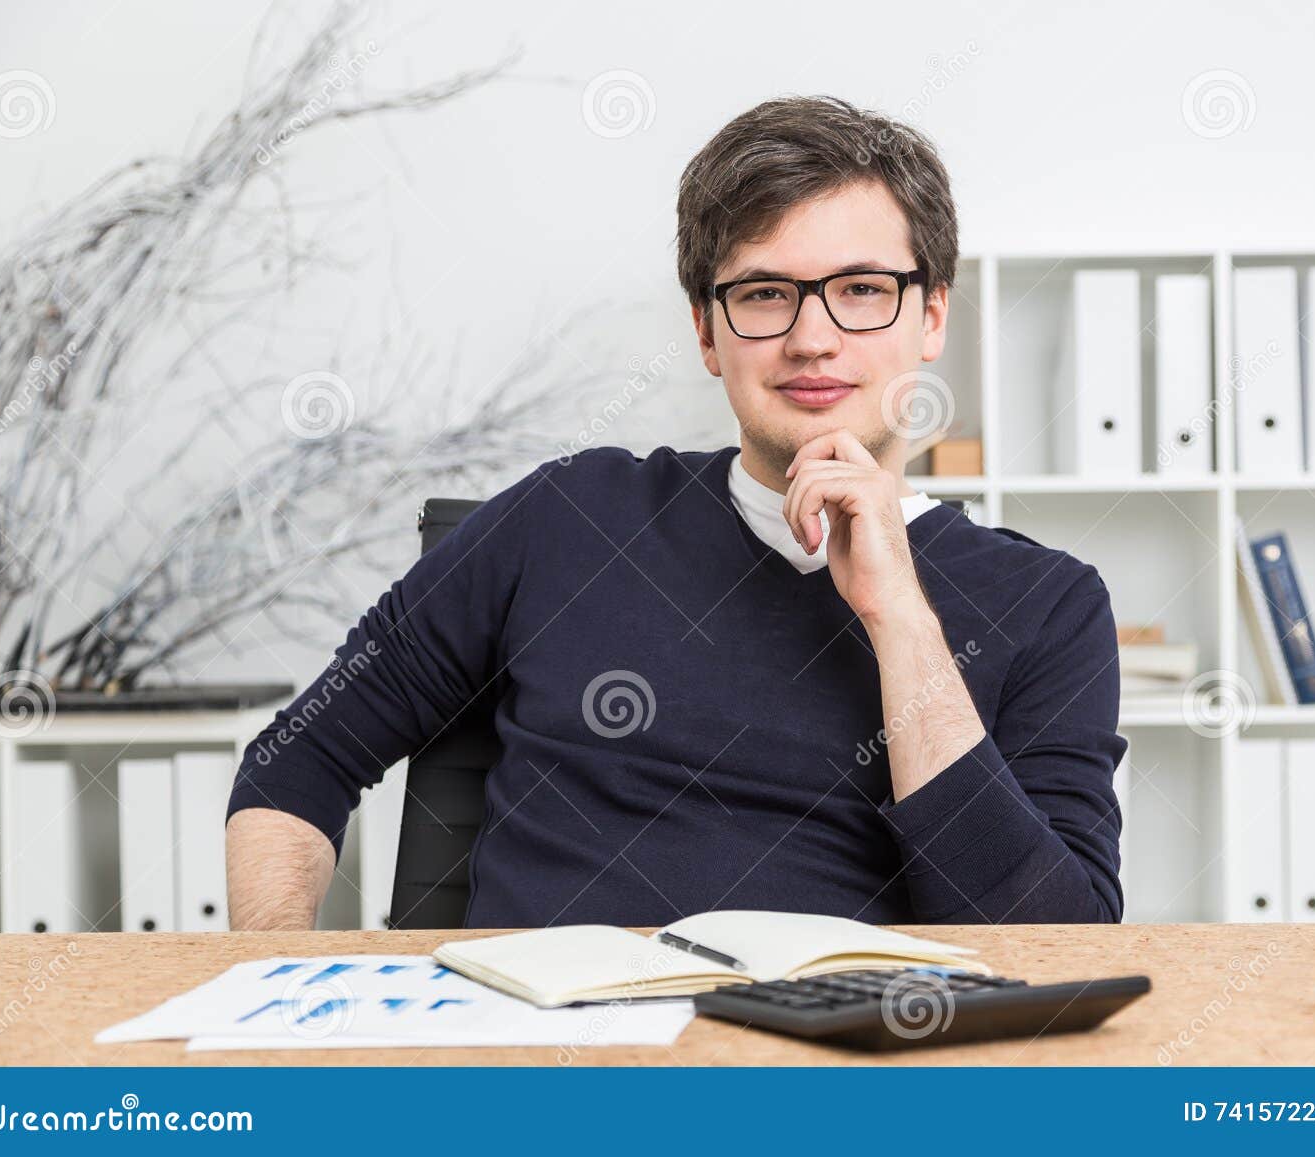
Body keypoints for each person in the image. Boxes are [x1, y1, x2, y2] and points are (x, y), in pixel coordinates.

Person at [225, 94, 1127, 931]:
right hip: (538, 1068)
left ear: (930, 317)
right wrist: (271, 1001)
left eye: (861, 290)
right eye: (765, 293)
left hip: (836, 1078)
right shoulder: (565, 519)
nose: (814, 337)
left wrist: (899, 620)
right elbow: (296, 764)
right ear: (706, 331)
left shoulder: (1047, 603)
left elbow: (1057, 941)